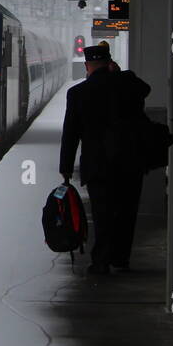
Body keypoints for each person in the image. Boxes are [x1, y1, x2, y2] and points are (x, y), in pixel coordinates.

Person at [59, 44, 151, 274]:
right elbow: (145, 89)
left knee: (102, 213)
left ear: (87, 66)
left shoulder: (78, 93)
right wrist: (119, 74)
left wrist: (66, 167)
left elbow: (70, 133)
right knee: (126, 212)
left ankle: (101, 261)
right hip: (130, 162)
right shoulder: (126, 85)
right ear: (110, 63)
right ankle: (121, 258)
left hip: (97, 165)